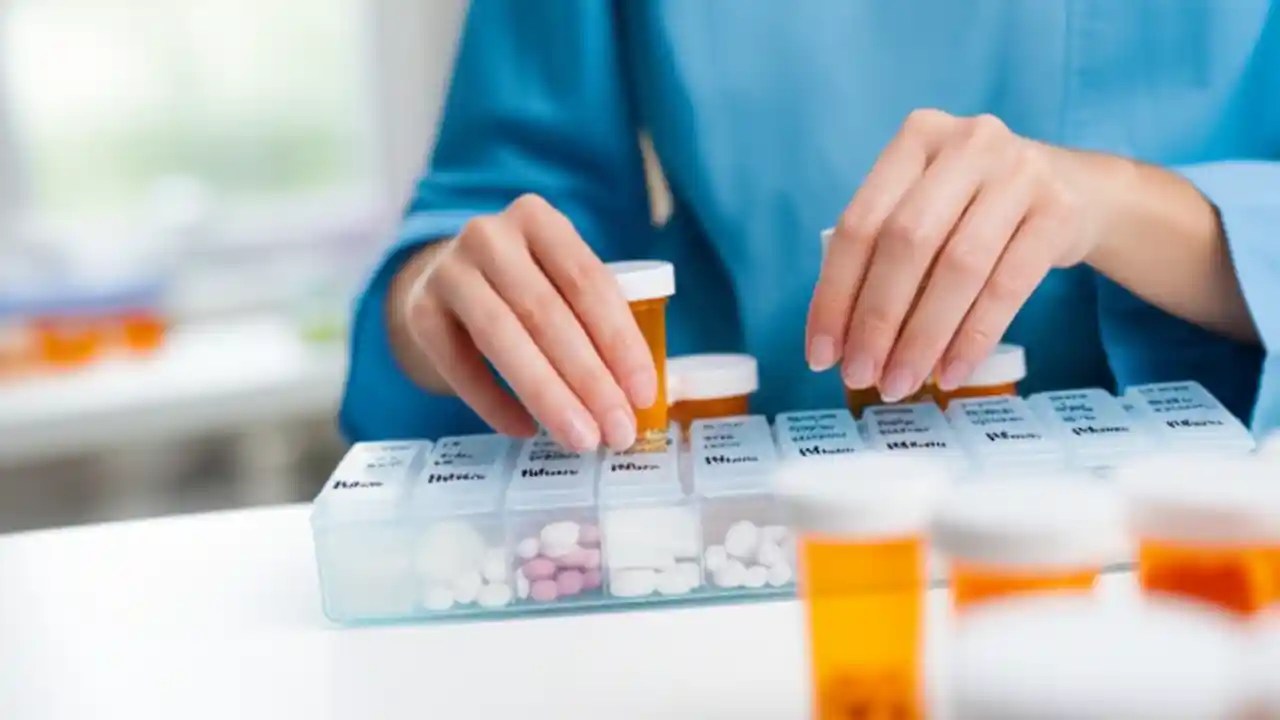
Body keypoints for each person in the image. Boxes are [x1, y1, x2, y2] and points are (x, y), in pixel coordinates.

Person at [341, 1, 1280, 452]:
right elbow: (502, 195)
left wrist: (1114, 202)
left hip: (1205, 536)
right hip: (747, 527)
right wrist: (451, 297)